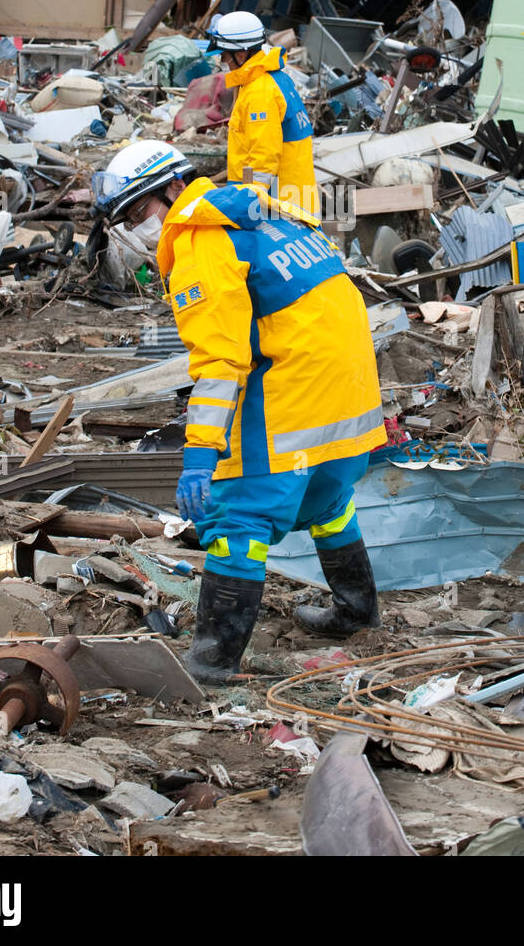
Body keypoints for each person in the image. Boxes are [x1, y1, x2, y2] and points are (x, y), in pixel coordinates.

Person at [92, 140, 387, 682]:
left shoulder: (202, 243)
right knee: (328, 499)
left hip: (294, 392)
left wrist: (201, 455)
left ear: (175, 189)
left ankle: (212, 660)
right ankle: (357, 610)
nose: (139, 229)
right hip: (348, 393)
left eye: (141, 212)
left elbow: (220, 362)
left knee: (238, 516)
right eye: (129, 220)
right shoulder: (260, 211)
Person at [205, 11, 320, 220]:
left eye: (224, 56)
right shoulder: (273, 78)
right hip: (292, 196)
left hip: (279, 205)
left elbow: (263, 156)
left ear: (241, 55)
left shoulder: (260, 92)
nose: (223, 62)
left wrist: (250, 204)